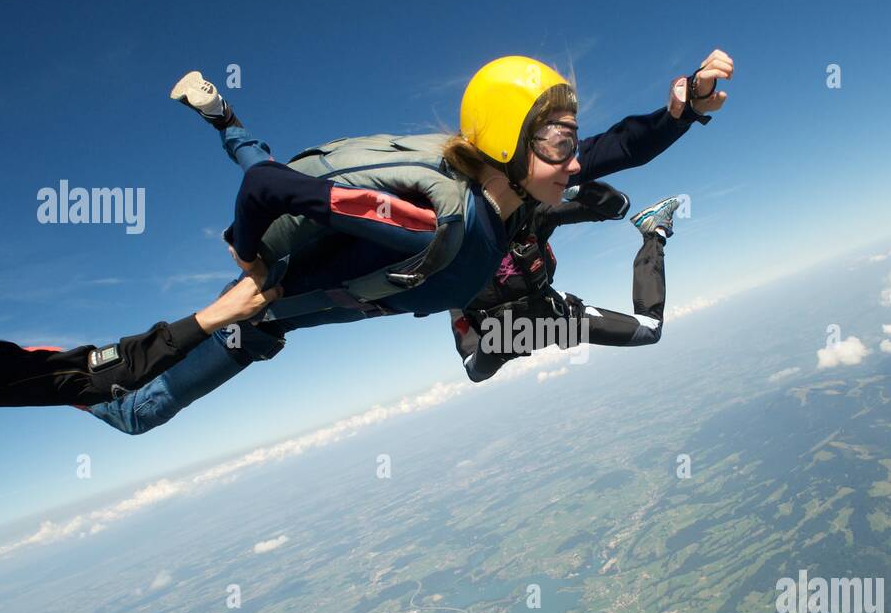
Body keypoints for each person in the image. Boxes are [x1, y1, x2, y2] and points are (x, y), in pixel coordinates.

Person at [89, 50, 732, 434]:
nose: (571, 160)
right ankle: (31, 371)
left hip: (509, 301)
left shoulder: (530, 178)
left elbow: (620, 147)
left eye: (570, 143)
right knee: (140, 413)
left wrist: (683, 111)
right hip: (267, 309)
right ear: (512, 146)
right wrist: (252, 256)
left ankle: (224, 118)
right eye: (559, 144)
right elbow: (266, 185)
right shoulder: (427, 216)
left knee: (525, 295)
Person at [0, 110, 280, 441]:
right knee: (132, 413)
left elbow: (90, 375)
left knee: (129, 409)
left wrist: (212, 317)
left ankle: (251, 331)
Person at [449, 189, 682, 382]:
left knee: (650, 330)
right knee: (477, 370)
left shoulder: (531, 217)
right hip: (526, 329)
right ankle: (655, 233)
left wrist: (569, 186)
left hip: (556, 321)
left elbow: (615, 207)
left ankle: (655, 232)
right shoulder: (451, 251)